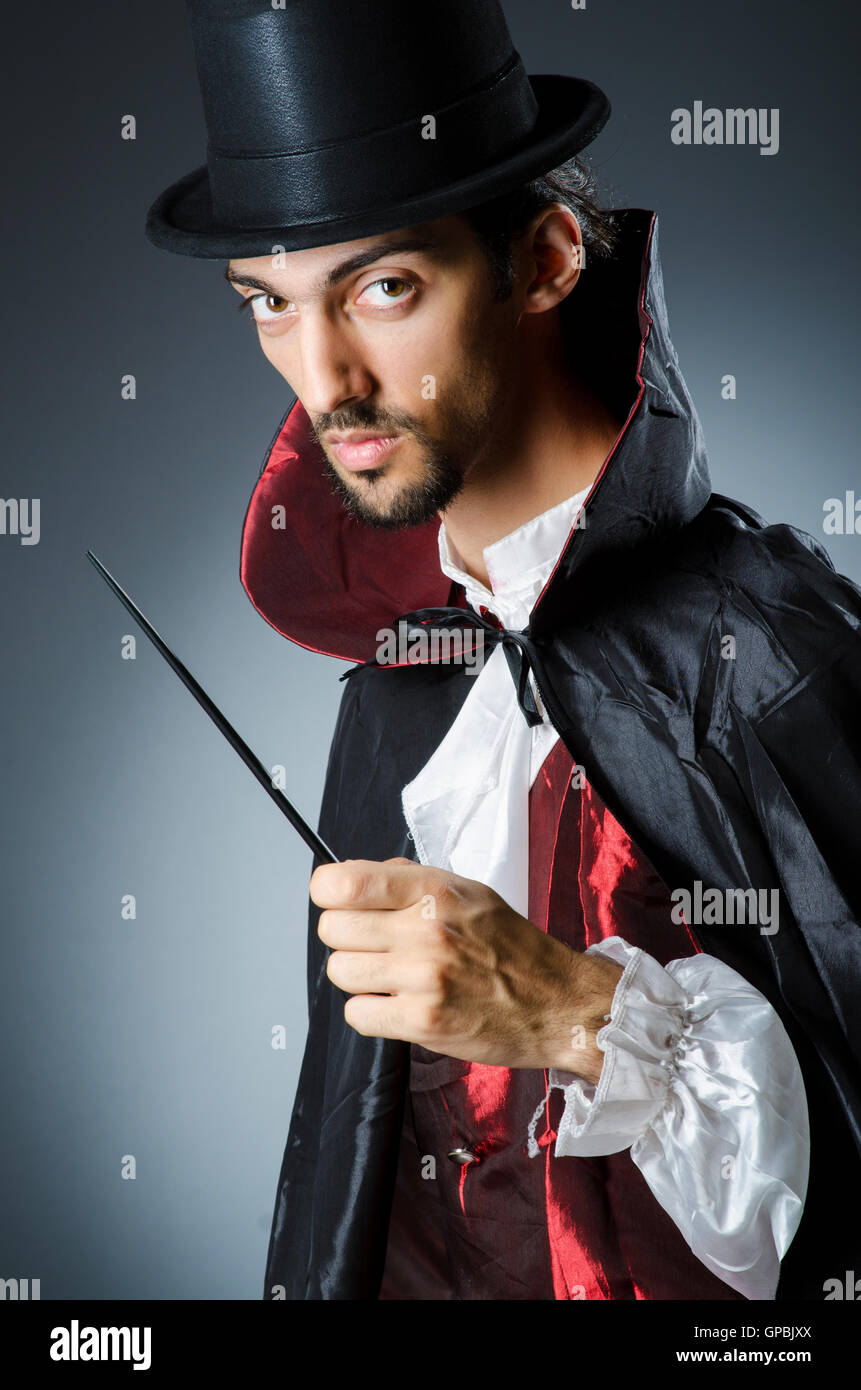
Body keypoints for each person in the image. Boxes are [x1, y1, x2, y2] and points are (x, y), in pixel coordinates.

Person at [146, 0, 861, 1300]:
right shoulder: (400, 693)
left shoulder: (779, 661)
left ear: (541, 260)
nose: (323, 379)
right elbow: (345, 1178)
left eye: (382, 287)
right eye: (268, 301)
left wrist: (575, 1012)